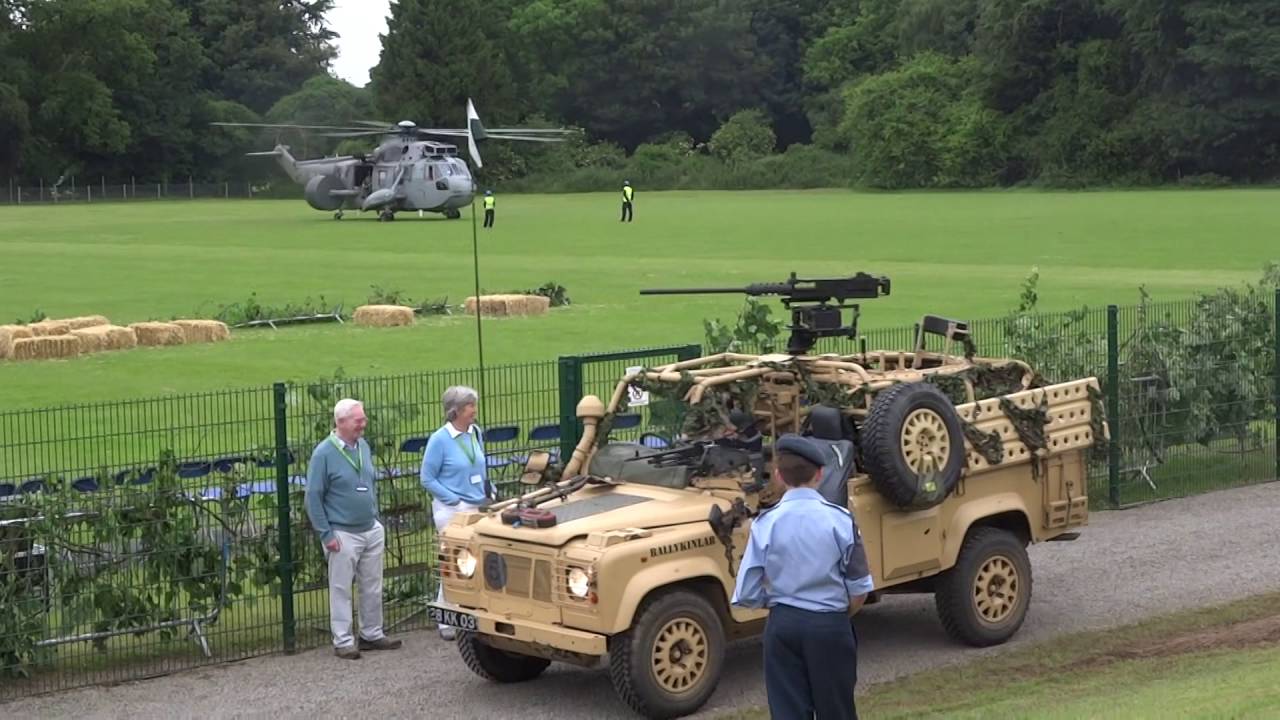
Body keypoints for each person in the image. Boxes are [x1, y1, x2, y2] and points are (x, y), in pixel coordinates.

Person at [731, 434, 873, 720]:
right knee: (837, 710)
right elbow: (859, 587)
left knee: (788, 712)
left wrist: (777, 603)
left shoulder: (765, 524)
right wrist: (837, 615)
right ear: (820, 474)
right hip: (830, 623)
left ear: (779, 476)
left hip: (783, 625)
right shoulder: (841, 520)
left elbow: (746, 591)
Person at [305, 398, 402, 660]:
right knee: (340, 588)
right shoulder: (323, 454)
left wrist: (376, 519)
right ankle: (343, 640)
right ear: (341, 422)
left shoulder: (363, 447)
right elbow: (313, 496)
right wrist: (326, 534)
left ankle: (372, 633)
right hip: (342, 533)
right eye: (359, 420)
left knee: (372, 585)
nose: (364, 424)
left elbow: (370, 483)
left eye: (363, 419)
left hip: (370, 528)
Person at [421, 385, 491, 640]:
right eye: (470, 406)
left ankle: (472, 611)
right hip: (453, 510)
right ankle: (446, 619)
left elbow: (480, 467)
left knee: (477, 561)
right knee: (454, 562)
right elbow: (427, 478)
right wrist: (454, 500)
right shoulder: (439, 439)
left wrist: (487, 492)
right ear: (457, 411)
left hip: (478, 505)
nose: (475, 410)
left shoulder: (476, 433)